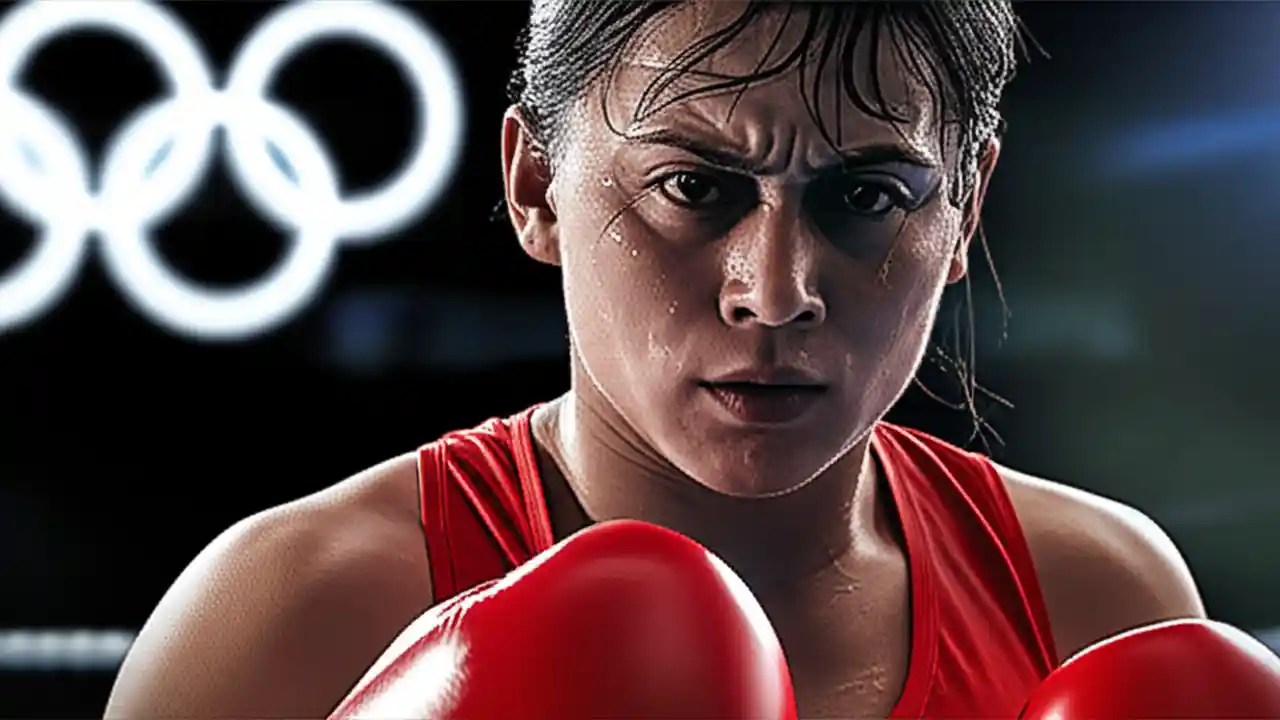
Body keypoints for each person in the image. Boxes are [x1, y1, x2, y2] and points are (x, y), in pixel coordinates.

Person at [103, 1, 1208, 717]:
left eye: (865, 197)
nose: (774, 292)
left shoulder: (1097, 600)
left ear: (962, 216)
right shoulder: (296, 618)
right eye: (695, 187)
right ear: (535, 187)